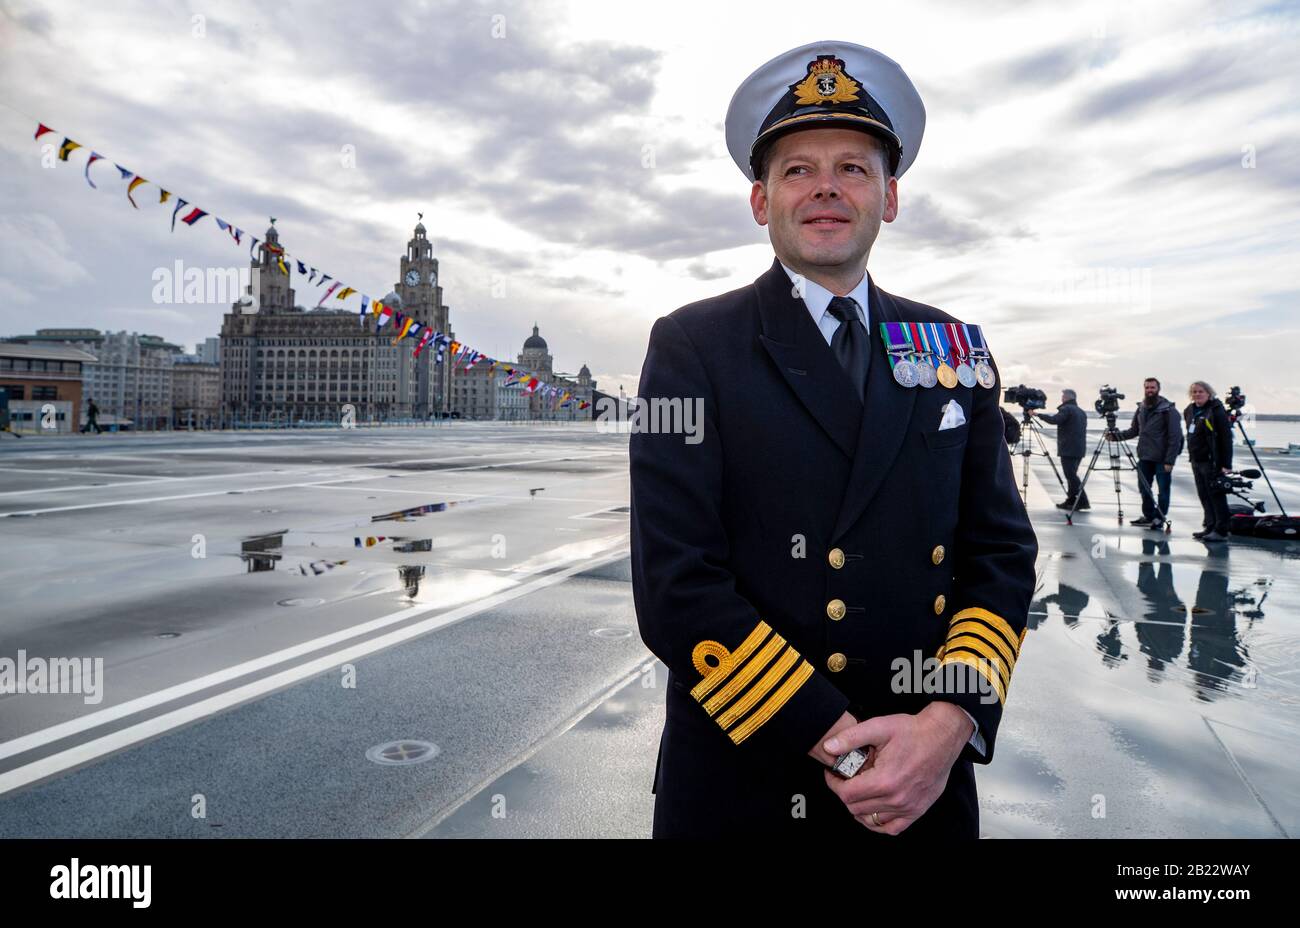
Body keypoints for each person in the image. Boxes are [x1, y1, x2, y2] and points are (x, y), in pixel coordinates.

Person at [629, 41, 1038, 839]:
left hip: (923, 786)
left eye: (853, 167)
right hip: (748, 779)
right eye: (796, 169)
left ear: (890, 197)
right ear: (760, 201)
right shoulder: (690, 345)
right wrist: (845, 749)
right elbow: (675, 584)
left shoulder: (955, 347)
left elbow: (1000, 555)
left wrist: (948, 724)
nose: (826, 188)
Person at [1115, 378, 1182, 530]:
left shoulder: (1168, 410)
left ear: (1158, 389)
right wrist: (1116, 437)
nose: (1149, 390)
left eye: (1152, 387)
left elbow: (1175, 437)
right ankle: (1149, 515)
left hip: (1162, 458)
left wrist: (1170, 460)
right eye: (1147, 387)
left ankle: (1160, 517)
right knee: (1144, 488)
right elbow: (1134, 431)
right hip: (1145, 456)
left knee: (1163, 490)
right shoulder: (1141, 408)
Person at [1184, 381, 1233, 541]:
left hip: (1212, 461)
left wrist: (1226, 464)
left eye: (1201, 391)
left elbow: (1226, 438)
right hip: (1197, 460)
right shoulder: (1190, 410)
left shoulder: (1216, 410)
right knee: (1203, 494)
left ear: (1208, 393)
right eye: (1195, 392)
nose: (1197, 394)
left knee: (1216, 495)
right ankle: (1210, 526)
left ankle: (1221, 530)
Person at [1030, 389, 1089, 510]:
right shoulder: (1081, 412)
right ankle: (1072, 500)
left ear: (1066, 398)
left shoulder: (1066, 409)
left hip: (1068, 448)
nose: (1061, 399)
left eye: (1062, 396)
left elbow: (1054, 420)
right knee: (1071, 475)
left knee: (1071, 475)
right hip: (1079, 448)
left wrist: (1037, 414)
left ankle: (1082, 500)